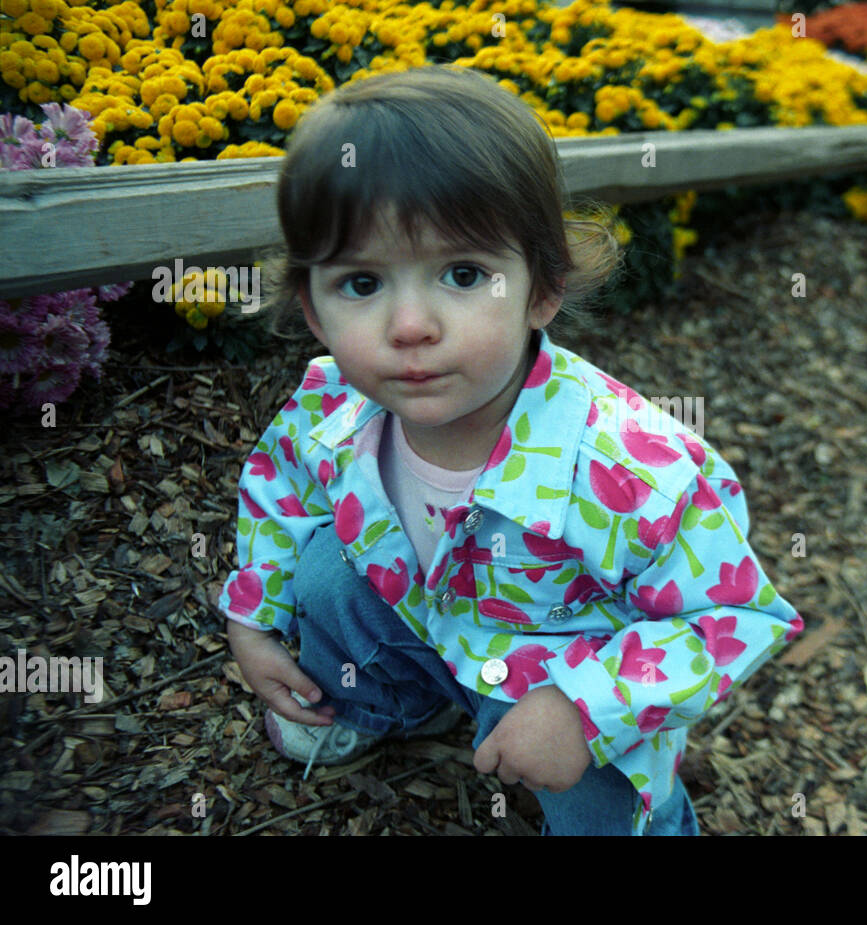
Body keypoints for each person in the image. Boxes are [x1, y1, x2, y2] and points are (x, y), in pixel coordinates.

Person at [219, 64, 803, 836]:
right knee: (327, 570)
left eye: (462, 273)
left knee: (602, 800)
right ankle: (381, 700)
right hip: (425, 613)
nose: (410, 325)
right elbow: (282, 487)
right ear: (314, 309)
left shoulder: (624, 466)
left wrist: (585, 709)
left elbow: (734, 614)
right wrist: (252, 618)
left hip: (560, 666)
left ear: (543, 287)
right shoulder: (335, 401)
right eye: (361, 283)